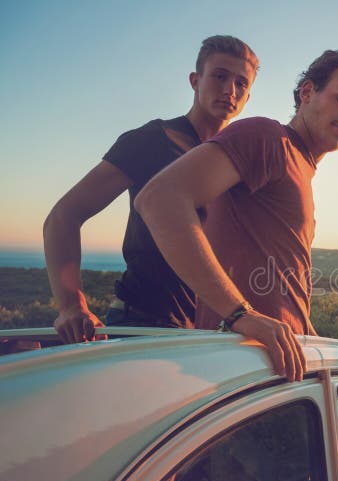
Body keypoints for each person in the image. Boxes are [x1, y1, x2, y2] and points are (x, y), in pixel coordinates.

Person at [135, 50, 338, 382]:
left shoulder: (301, 169)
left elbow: (282, 283)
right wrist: (240, 314)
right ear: (307, 92)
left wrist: (309, 337)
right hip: (242, 373)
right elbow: (160, 200)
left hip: (280, 373)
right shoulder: (269, 138)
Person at [43, 35, 259, 343]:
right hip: (142, 322)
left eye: (241, 83)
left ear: (248, 97)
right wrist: (70, 306)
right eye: (220, 76)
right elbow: (63, 216)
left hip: (202, 334)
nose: (230, 90)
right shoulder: (155, 139)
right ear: (195, 81)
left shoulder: (232, 163)